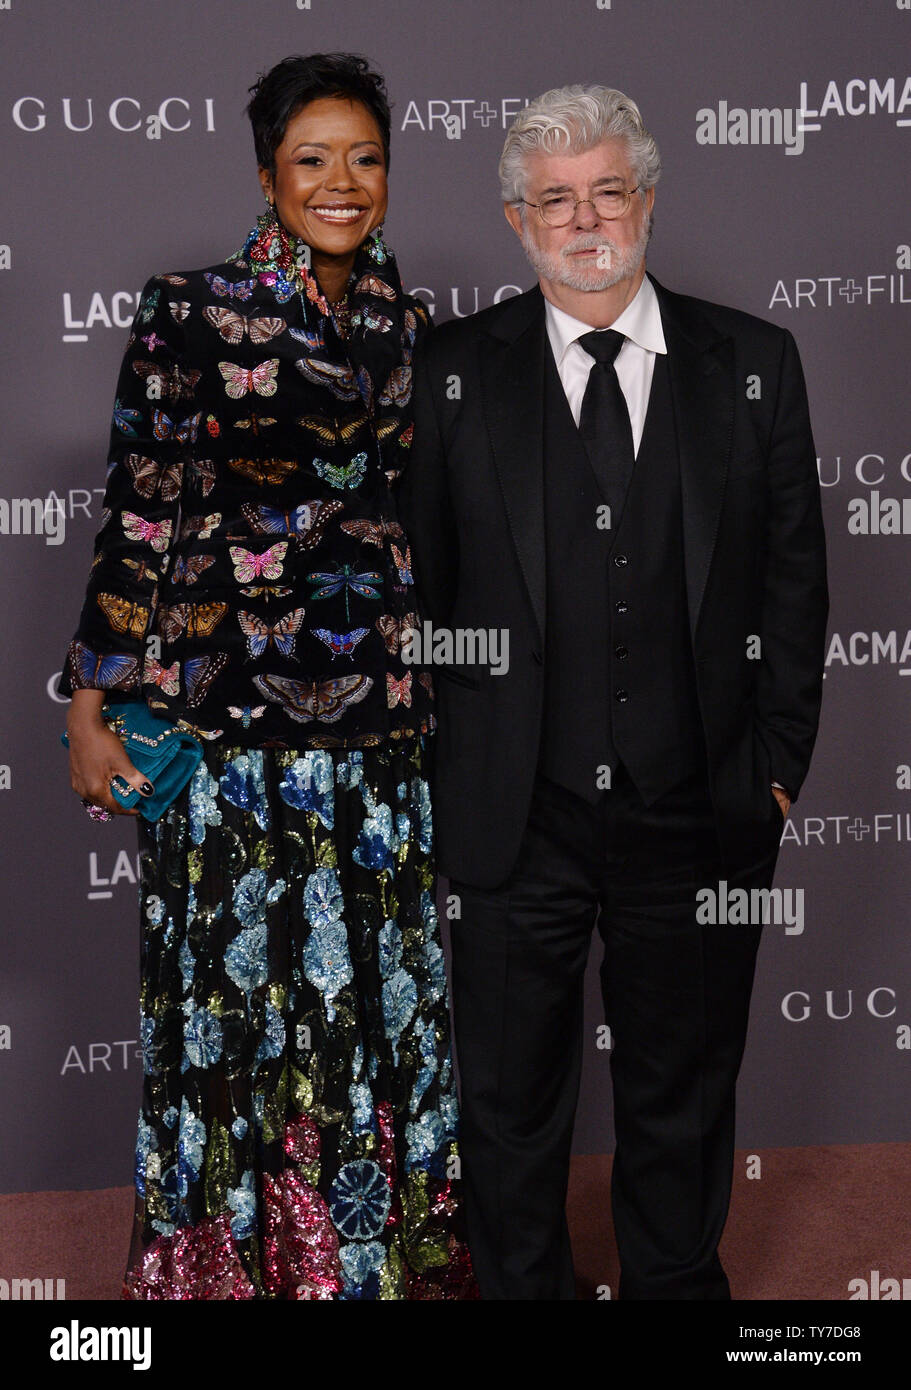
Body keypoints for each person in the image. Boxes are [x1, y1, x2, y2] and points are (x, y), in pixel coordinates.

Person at [59, 52, 476, 1301]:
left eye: (363, 157)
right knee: (232, 1014)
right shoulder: (190, 309)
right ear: (266, 175)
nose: (340, 182)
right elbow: (139, 512)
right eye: (312, 158)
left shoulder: (413, 329)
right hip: (232, 738)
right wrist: (89, 700)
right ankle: (227, 1272)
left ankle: (364, 1267)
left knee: (372, 1011)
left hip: (381, 738)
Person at [401, 84, 828, 1299]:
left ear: (645, 197)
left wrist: (776, 770)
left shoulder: (752, 362)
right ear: (512, 218)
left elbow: (793, 591)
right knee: (506, 1101)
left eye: (604, 189)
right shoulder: (450, 373)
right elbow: (422, 596)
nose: (582, 217)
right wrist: (452, 769)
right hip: (510, 814)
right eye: (553, 198)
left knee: (681, 1092)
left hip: (695, 807)